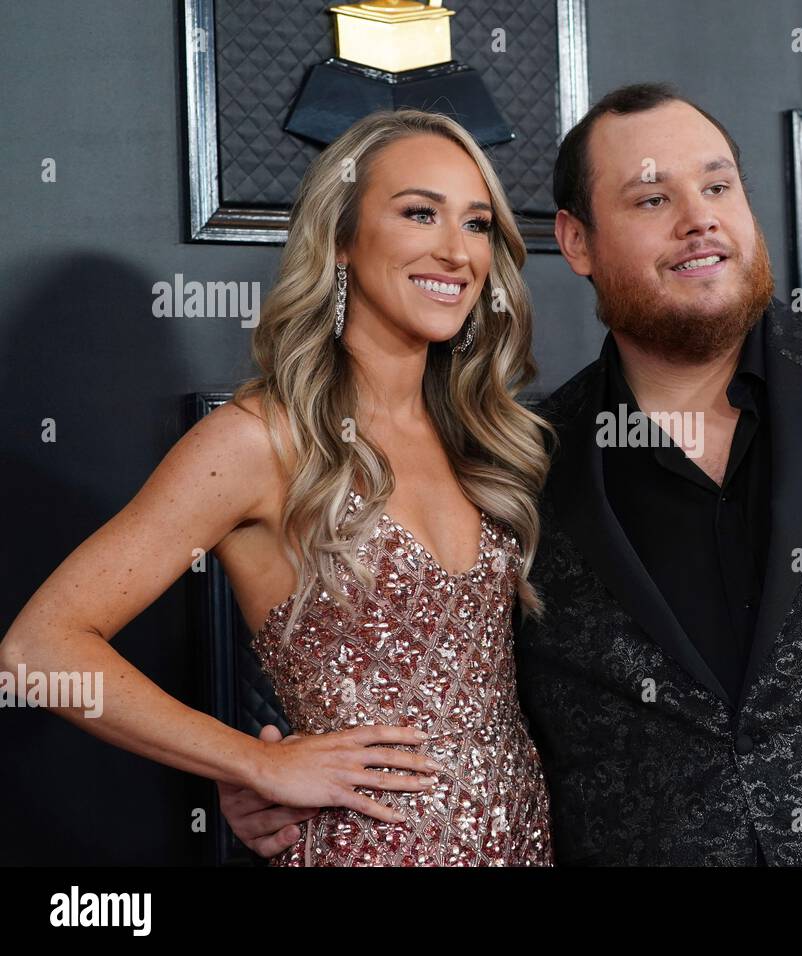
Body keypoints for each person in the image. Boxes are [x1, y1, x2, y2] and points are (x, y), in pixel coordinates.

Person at [224, 83, 802, 866]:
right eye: (652, 198)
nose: (700, 217)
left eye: (718, 185)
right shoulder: (513, 461)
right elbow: (439, 677)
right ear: (577, 244)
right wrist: (278, 772)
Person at [0, 109, 556, 866]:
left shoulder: (486, 437)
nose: (456, 251)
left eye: (478, 223)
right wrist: (252, 762)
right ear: (342, 240)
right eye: (420, 212)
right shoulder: (260, 440)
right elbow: (39, 649)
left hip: (525, 838)